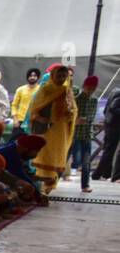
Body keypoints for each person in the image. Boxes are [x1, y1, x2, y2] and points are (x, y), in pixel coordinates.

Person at [28, 63, 77, 193]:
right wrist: (40, 119)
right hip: (46, 131)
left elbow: (73, 109)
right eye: (59, 75)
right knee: (44, 156)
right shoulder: (46, 90)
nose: (61, 78)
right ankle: (40, 185)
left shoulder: (67, 91)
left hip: (61, 131)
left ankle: (50, 184)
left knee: (56, 157)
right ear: (53, 76)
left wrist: (70, 113)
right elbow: (34, 110)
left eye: (64, 76)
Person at [70, 74, 100, 192]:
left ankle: (85, 185)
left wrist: (85, 120)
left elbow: (91, 116)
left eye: (93, 89)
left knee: (86, 162)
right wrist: (75, 121)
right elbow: (70, 116)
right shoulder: (76, 99)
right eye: (89, 88)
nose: (90, 91)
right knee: (74, 159)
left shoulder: (94, 100)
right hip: (75, 134)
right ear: (84, 86)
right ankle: (55, 179)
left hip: (87, 134)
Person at [96, 87, 120, 181]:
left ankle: (106, 173)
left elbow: (106, 109)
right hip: (114, 125)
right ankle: (98, 174)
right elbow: (113, 107)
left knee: (108, 150)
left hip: (109, 123)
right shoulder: (118, 93)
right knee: (109, 151)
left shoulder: (114, 90)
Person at [10, 68, 41, 135]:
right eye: (30, 76)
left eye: (34, 76)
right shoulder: (20, 89)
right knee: (16, 142)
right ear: (27, 77)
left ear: (38, 77)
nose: (32, 77)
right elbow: (14, 105)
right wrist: (15, 119)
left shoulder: (41, 90)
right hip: (20, 120)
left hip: (34, 120)